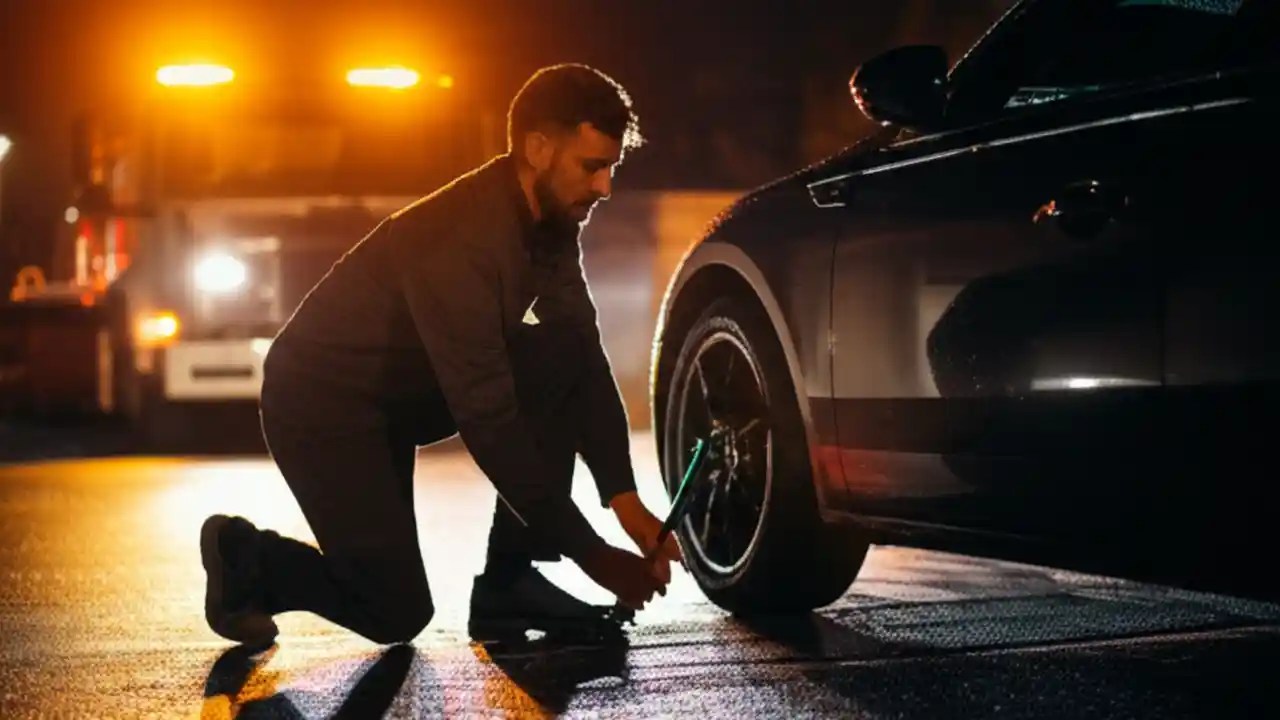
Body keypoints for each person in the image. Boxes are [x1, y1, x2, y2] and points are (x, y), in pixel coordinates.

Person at [199, 63, 683, 648]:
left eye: (612, 168)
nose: (605, 187)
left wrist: (625, 500)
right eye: (592, 166)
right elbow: (489, 420)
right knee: (395, 612)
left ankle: (510, 585)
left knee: (558, 355)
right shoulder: (460, 238)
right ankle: (246, 557)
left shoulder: (548, 222)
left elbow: (580, 357)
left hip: (400, 393)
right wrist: (593, 555)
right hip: (324, 408)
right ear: (537, 149)